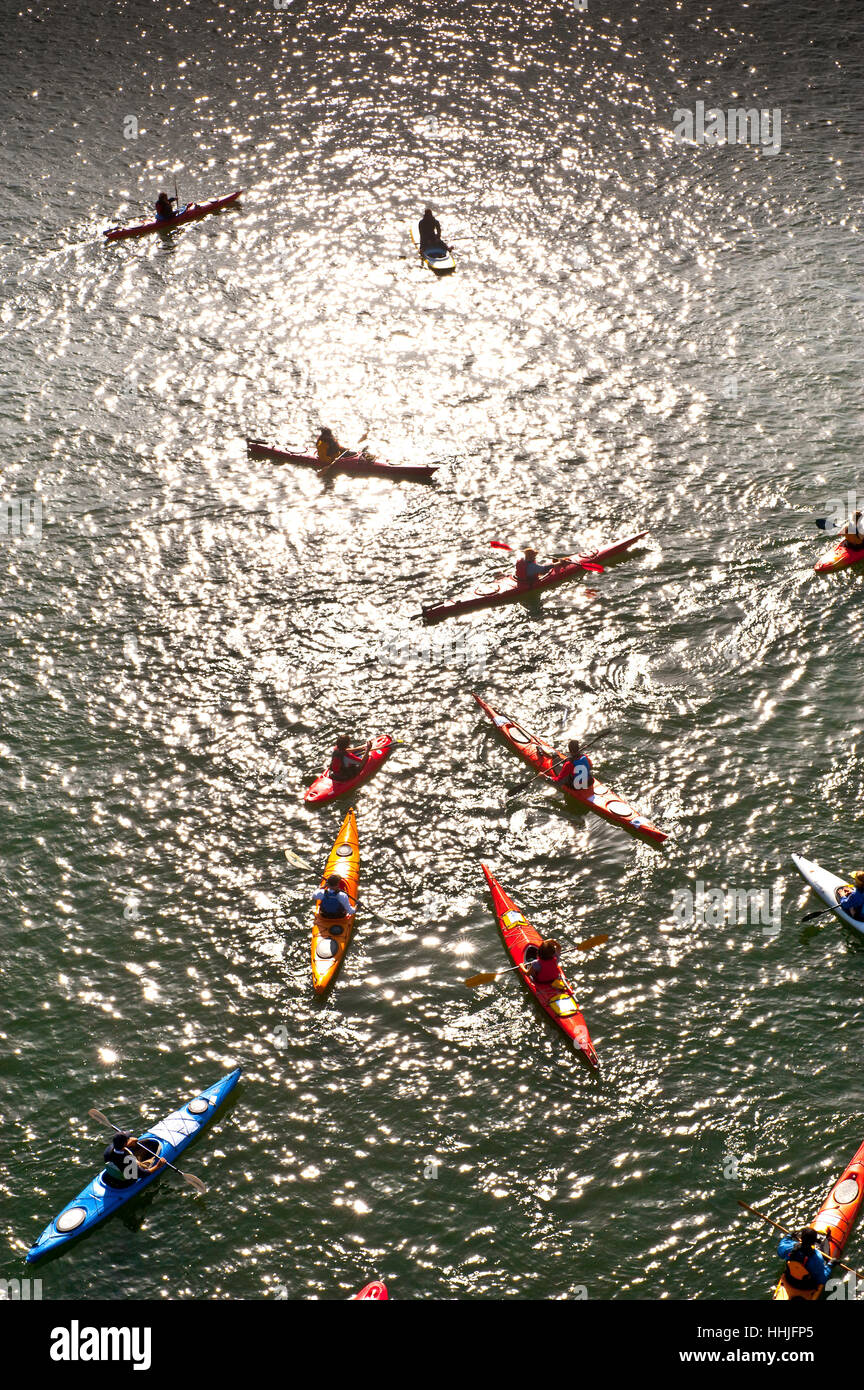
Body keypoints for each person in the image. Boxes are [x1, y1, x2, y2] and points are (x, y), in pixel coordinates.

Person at [776, 1228, 832, 1298]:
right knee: (823, 1264)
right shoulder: (817, 1257)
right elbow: (821, 1279)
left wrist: (789, 1236)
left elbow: (781, 1248)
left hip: (789, 1279)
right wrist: (830, 1265)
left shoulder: (789, 1247)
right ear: (814, 1242)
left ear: (801, 1238)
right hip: (805, 1286)